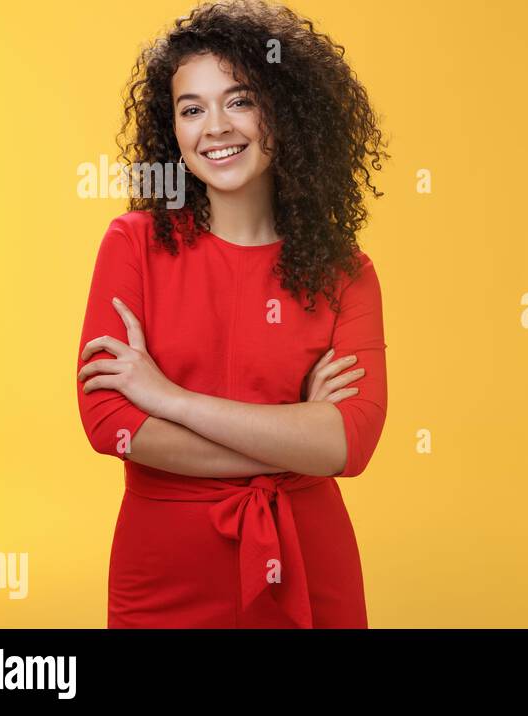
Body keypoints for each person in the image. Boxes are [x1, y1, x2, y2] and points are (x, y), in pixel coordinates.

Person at [75, 0, 390, 628]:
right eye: (191, 109)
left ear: (288, 112)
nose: (214, 126)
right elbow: (108, 421)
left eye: (240, 100)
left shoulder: (347, 272)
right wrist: (296, 433)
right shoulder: (132, 243)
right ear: (173, 132)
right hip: (161, 575)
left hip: (309, 567)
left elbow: (350, 442)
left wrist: (167, 398)